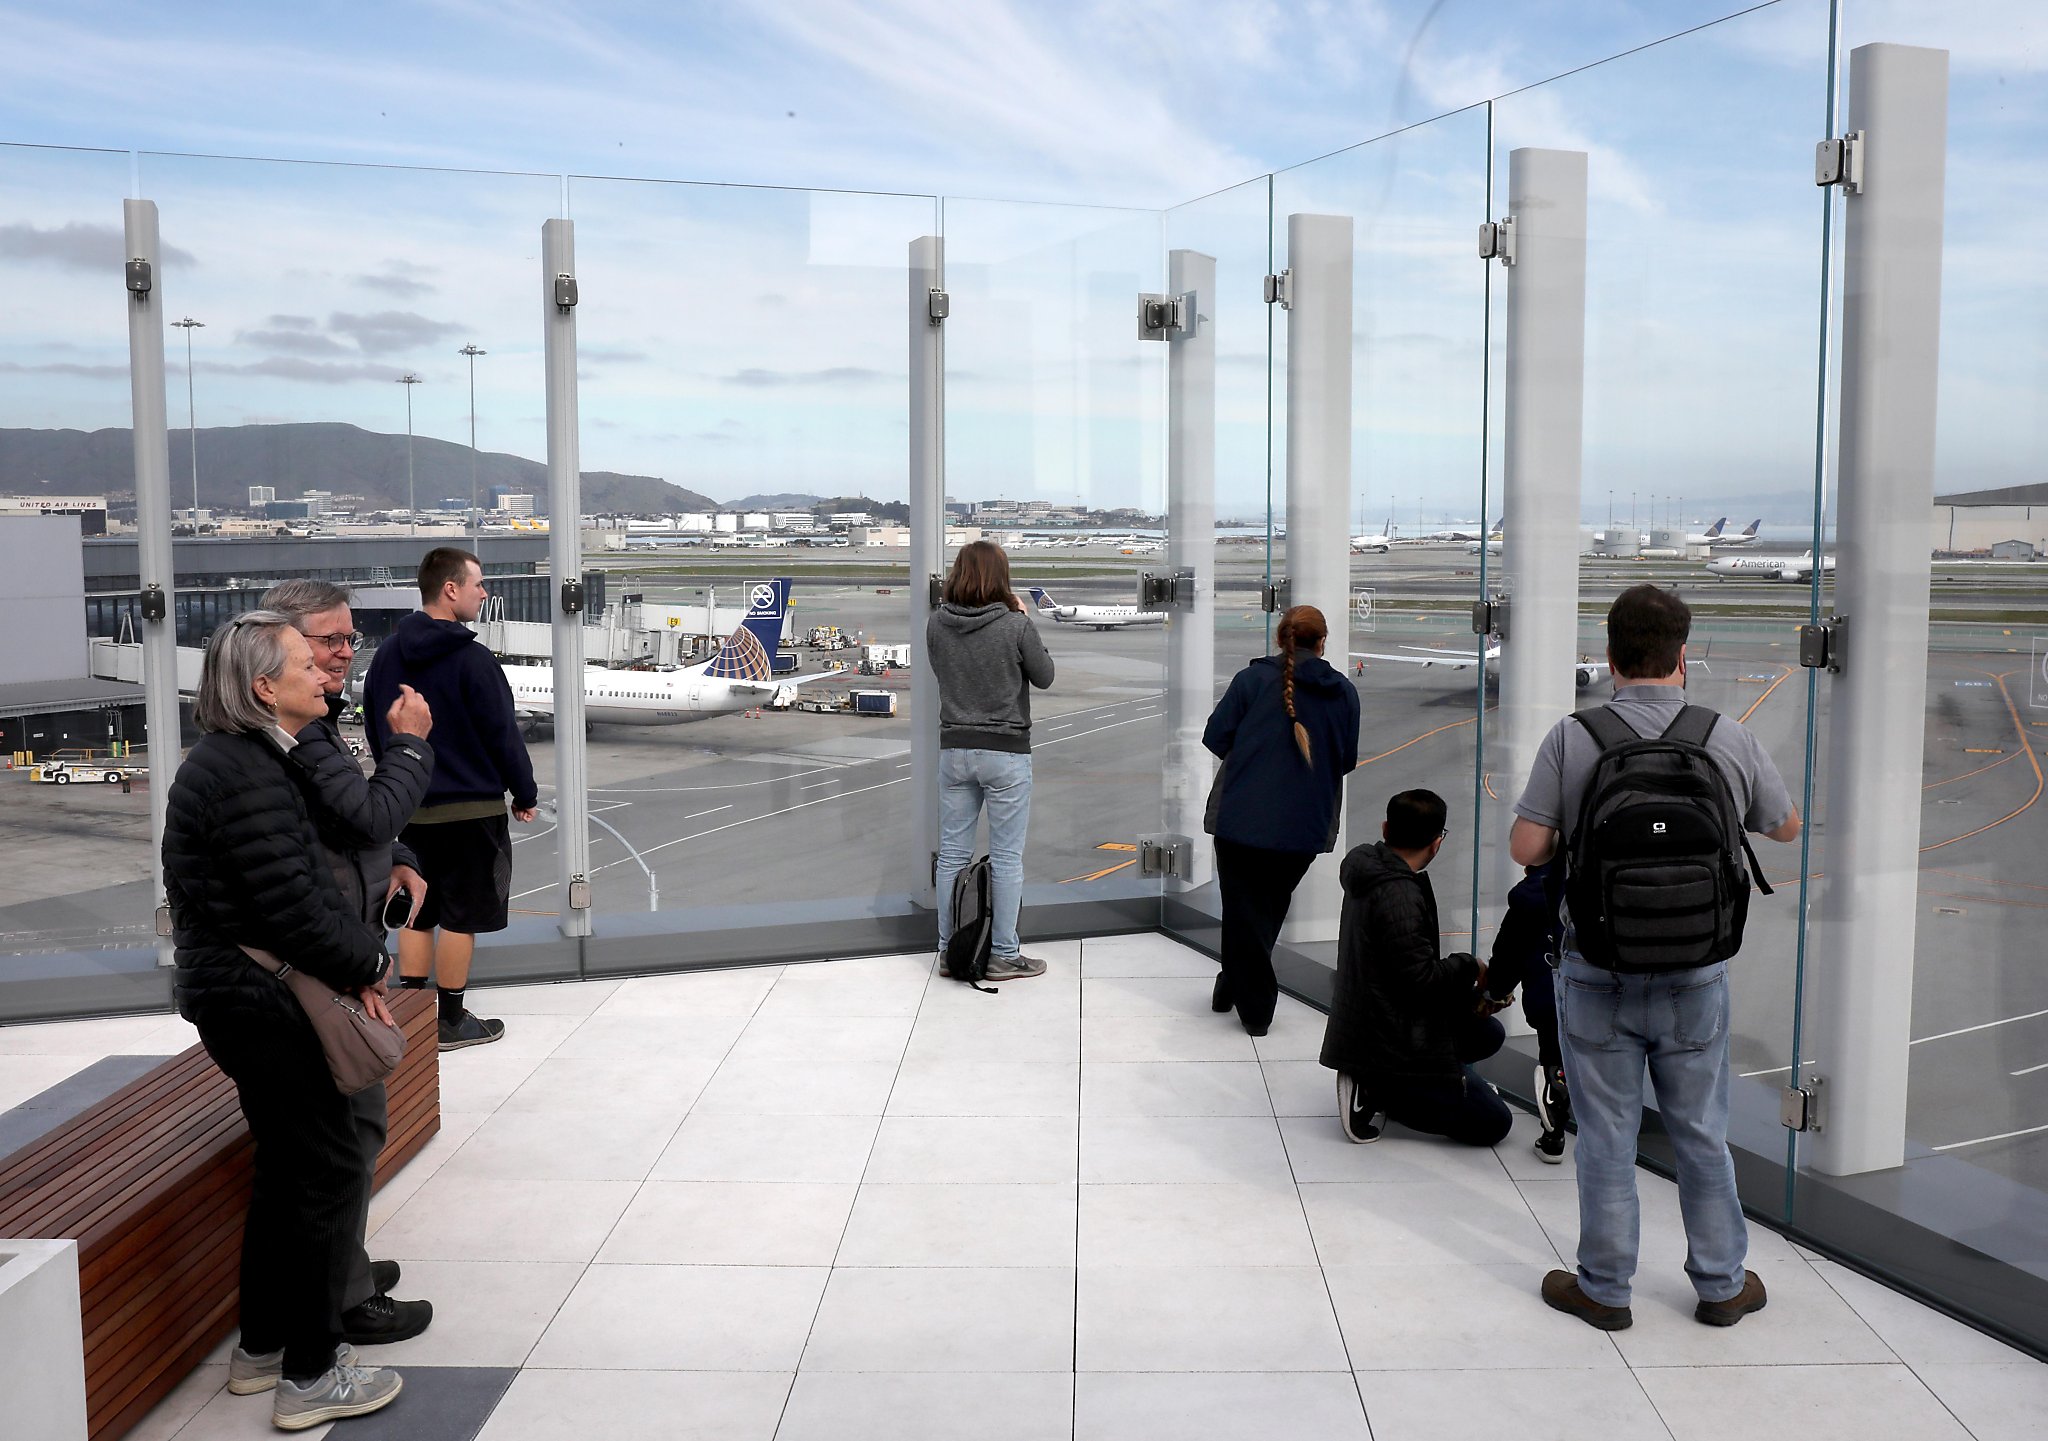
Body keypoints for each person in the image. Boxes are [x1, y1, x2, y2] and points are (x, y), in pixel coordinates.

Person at [1510, 583, 1800, 1332]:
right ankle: (1722, 1283)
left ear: (1609, 656)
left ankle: (1605, 1289)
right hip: (1695, 975)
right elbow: (1786, 826)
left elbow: (1526, 848)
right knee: (1701, 1130)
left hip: (1597, 970)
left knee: (1606, 1134)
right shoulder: (1724, 734)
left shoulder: (1575, 737)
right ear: (1682, 655)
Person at [162, 612, 404, 1429]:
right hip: (260, 1005)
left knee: (288, 1170)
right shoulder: (247, 772)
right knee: (328, 1169)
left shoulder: (242, 761)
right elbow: (296, 906)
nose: (325, 673)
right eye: (308, 662)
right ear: (265, 686)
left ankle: (261, 1349)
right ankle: (310, 1372)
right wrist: (369, 964)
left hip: (243, 997)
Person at [262, 580, 437, 1346]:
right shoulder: (292, 736)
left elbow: (352, 821)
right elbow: (363, 811)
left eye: (346, 639)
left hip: (332, 956)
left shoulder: (313, 725)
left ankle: (347, 1267)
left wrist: (392, 855)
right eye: (322, 642)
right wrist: (409, 746)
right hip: (320, 968)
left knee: (349, 1133)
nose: (340, 653)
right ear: (278, 652)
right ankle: (343, 1299)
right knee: (345, 1137)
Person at [364, 549, 538, 1050]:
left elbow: (380, 728)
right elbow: (502, 735)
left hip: (409, 807)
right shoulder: (473, 659)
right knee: (463, 916)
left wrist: (398, 780)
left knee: (418, 907)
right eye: (478, 584)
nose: (484, 594)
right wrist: (523, 793)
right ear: (451, 589)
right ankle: (451, 1020)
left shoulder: (386, 657)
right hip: (471, 811)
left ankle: (413, 1019)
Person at [1320, 789, 1513, 1147]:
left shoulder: (1370, 867)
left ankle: (1424, 1082)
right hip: (1391, 1036)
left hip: (1377, 1015)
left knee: (1488, 1034)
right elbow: (1420, 982)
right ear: (1436, 843)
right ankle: (1376, 1086)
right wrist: (1469, 965)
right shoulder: (1400, 896)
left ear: (1385, 828)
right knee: (1494, 1123)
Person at [1202, 605, 1360, 1036]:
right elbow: (1345, 759)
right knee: (1265, 907)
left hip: (1240, 818)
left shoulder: (1251, 681)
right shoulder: (1344, 692)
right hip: (1305, 826)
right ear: (1322, 642)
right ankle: (1230, 983)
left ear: (1279, 639)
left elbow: (1214, 736)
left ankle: (1256, 1009)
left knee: (1244, 908)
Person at [928, 539, 1055, 981]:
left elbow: (943, 672)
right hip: (1004, 752)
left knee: (952, 858)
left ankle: (949, 952)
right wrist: (1021, 618)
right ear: (1002, 579)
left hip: (954, 749)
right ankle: (1002, 953)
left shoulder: (937, 624)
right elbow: (1045, 676)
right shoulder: (1014, 625)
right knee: (1006, 859)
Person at [1481, 860, 1573, 1163]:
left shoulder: (1530, 895)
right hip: (1611, 996)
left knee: (1554, 1052)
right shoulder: (1602, 876)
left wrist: (1495, 992)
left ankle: (1554, 1135)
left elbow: (1507, 954)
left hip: (1553, 997)